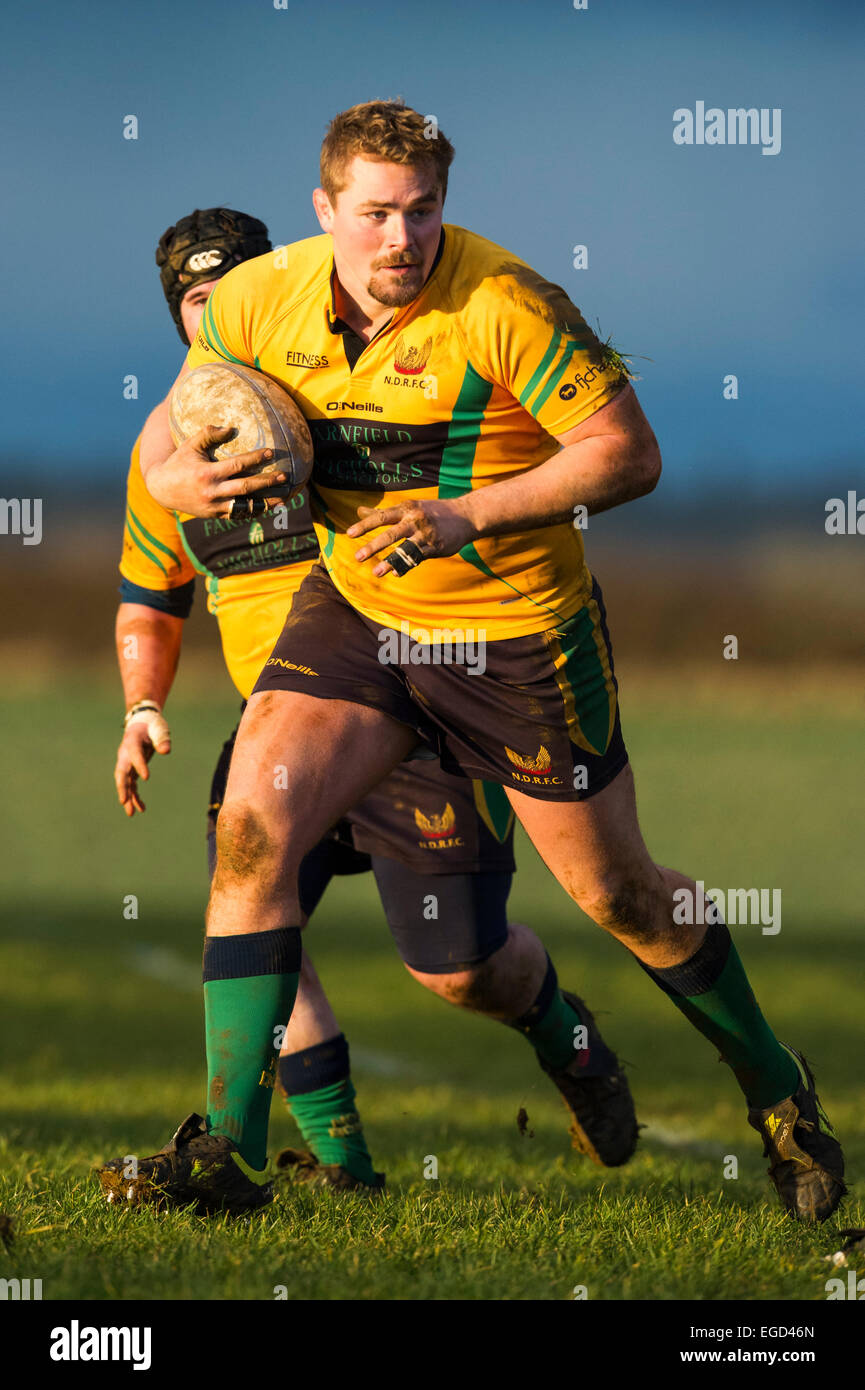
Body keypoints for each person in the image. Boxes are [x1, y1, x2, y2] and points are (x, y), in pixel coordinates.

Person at [122, 101, 845, 1224]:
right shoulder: (262, 298)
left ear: (443, 206)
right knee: (251, 827)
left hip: (511, 632)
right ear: (324, 212)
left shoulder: (504, 303)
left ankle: (777, 1089)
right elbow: (183, 418)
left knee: (617, 892)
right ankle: (231, 1155)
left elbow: (628, 455)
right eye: (372, 215)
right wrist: (174, 484)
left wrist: (467, 516)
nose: (398, 242)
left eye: (420, 213)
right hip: (358, 610)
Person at [98, 204, 638, 1210]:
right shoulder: (171, 452)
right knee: (254, 908)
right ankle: (315, 1168)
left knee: (460, 968)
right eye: (195, 302)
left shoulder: (355, 405)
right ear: (179, 320)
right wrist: (140, 704)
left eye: (235, 291)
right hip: (282, 725)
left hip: (414, 711)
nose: (218, 315)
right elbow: (148, 599)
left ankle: (566, 1035)